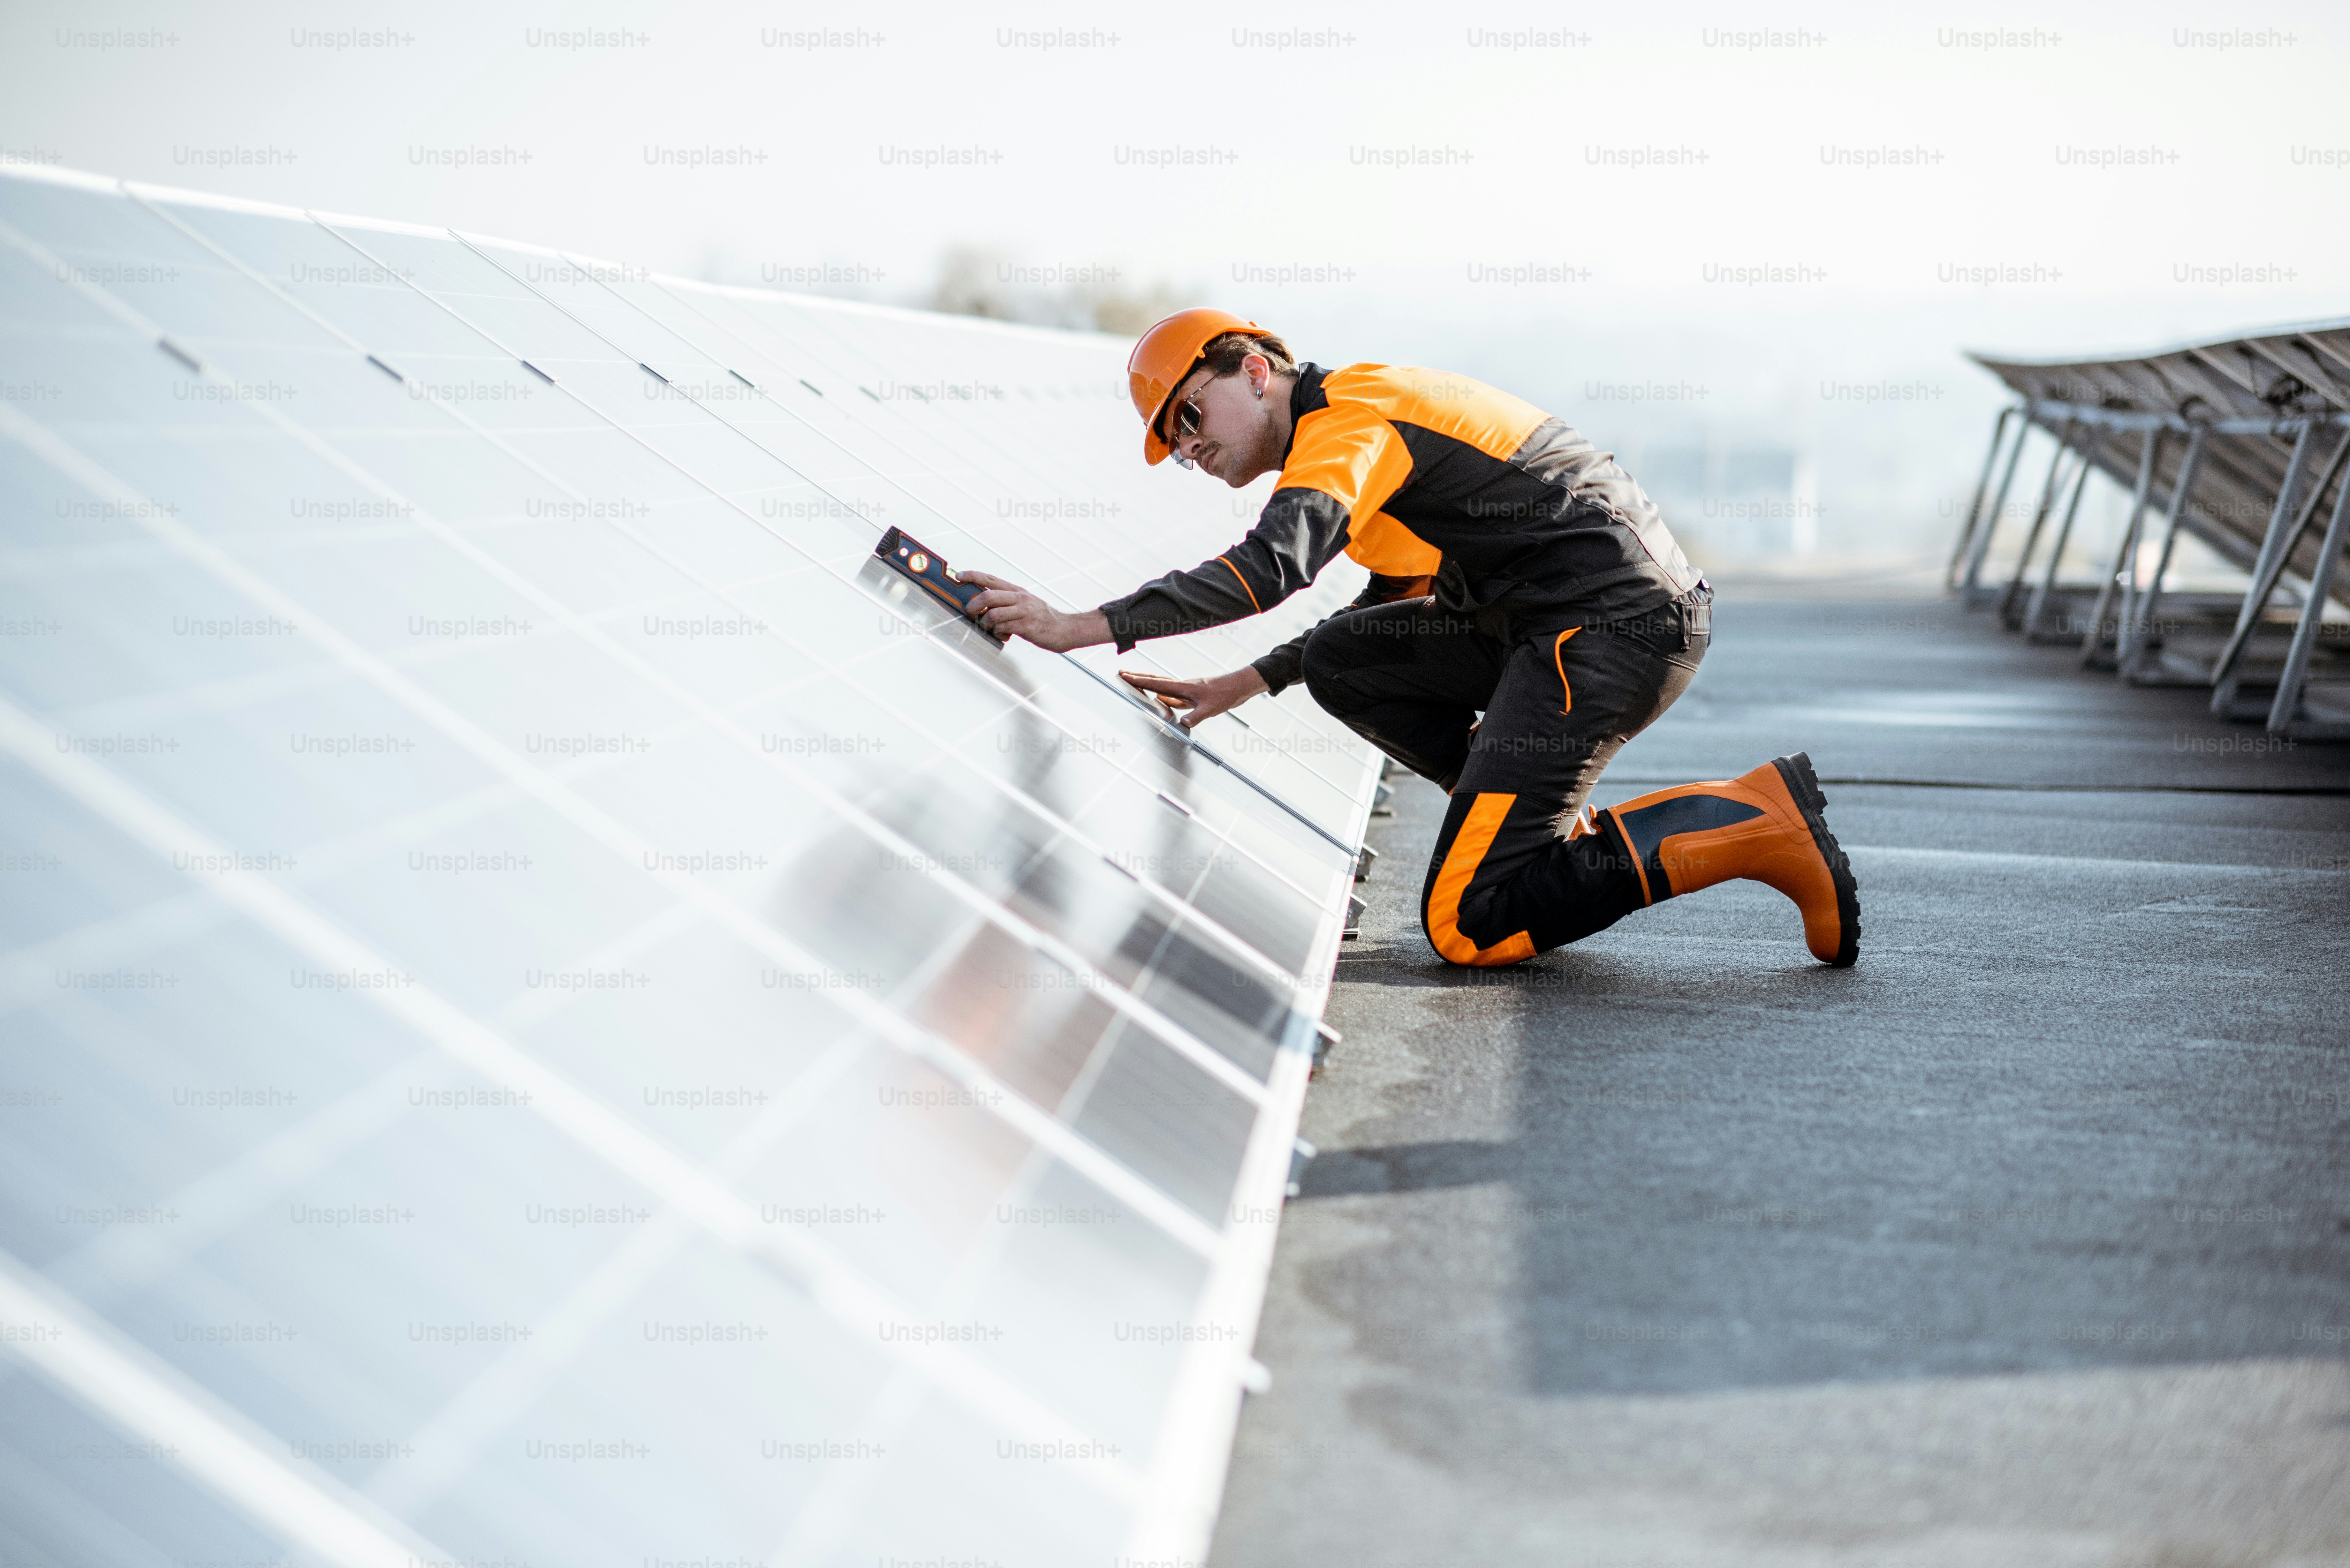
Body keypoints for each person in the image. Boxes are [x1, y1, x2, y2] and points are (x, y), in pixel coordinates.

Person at [961, 309, 1857, 969]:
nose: (1187, 449)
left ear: (1255, 372)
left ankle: (1751, 823)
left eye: (1190, 417)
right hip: (1548, 624)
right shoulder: (1357, 425)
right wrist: (1249, 680)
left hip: (1608, 628)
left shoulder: (1350, 424)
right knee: (1339, 661)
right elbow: (1387, 610)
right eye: (1171, 441)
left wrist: (1075, 627)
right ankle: (1539, 829)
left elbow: (1274, 565)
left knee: (1469, 923)